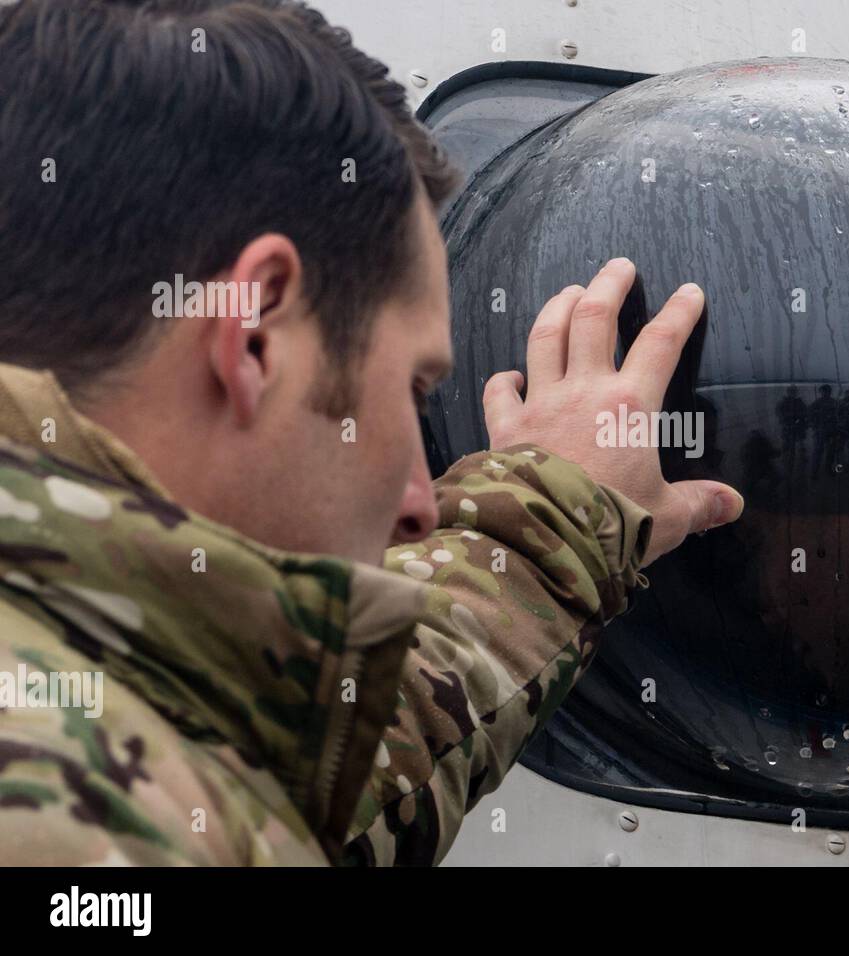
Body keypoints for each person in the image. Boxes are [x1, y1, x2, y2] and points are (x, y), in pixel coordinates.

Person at [0, 0, 743, 866]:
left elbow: (319, 774)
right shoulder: (78, 825)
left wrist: (552, 519)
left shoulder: (102, 722)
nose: (420, 510)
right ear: (253, 337)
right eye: (412, 386)